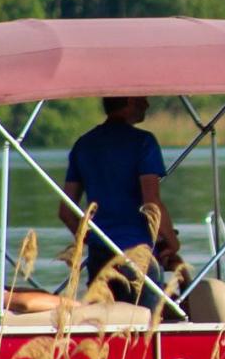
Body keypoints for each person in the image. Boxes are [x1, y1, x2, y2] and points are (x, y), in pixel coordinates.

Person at [62, 96, 180, 301]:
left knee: (104, 324)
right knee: (145, 324)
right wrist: (172, 241)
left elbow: (65, 211)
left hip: (100, 256)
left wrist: (93, 240)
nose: (147, 104)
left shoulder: (83, 144)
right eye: (141, 98)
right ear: (128, 101)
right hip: (138, 254)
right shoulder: (144, 142)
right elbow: (151, 203)